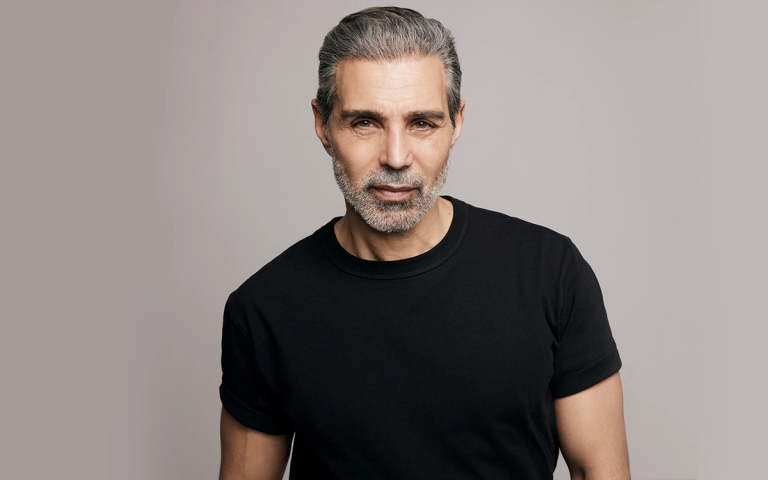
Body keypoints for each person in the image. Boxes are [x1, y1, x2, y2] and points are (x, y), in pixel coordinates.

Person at [219, 6, 629, 480]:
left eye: (422, 123)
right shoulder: (263, 308)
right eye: (365, 122)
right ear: (323, 124)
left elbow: (600, 470)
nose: (396, 158)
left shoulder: (549, 273)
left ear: (457, 123)